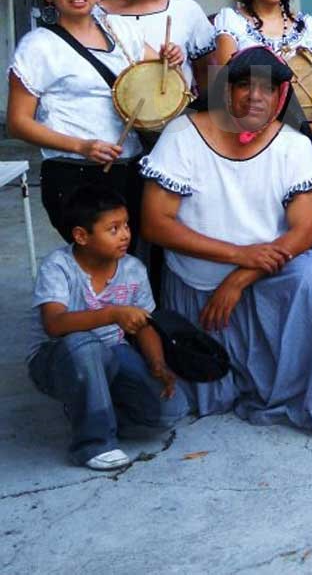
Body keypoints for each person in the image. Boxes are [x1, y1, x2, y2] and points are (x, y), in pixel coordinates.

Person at [140, 47, 312, 433]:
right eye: (244, 85)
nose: (254, 97)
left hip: (266, 275)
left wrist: (240, 274)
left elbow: (303, 232)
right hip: (199, 284)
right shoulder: (183, 134)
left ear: (281, 97)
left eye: (267, 88)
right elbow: (154, 224)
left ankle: (293, 392)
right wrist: (238, 253)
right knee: (198, 401)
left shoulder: (294, 144)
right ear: (226, 91)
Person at [8, 0, 175, 244]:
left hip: (128, 169)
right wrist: (82, 145)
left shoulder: (121, 30)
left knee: (128, 263)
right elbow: (18, 123)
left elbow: (156, 77)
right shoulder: (38, 47)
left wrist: (170, 57)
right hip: (73, 173)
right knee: (94, 264)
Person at [28, 184, 187, 470]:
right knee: (84, 345)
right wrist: (112, 314)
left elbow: (144, 325)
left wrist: (157, 363)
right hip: (59, 358)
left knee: (169, 412)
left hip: (113, 351)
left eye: (126, 225)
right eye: (113, 229)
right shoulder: (58, 267)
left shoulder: (133, 268)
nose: (126, 234)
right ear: (81, 235)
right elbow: (54, 324)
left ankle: (89, 408)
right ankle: (93, 444)